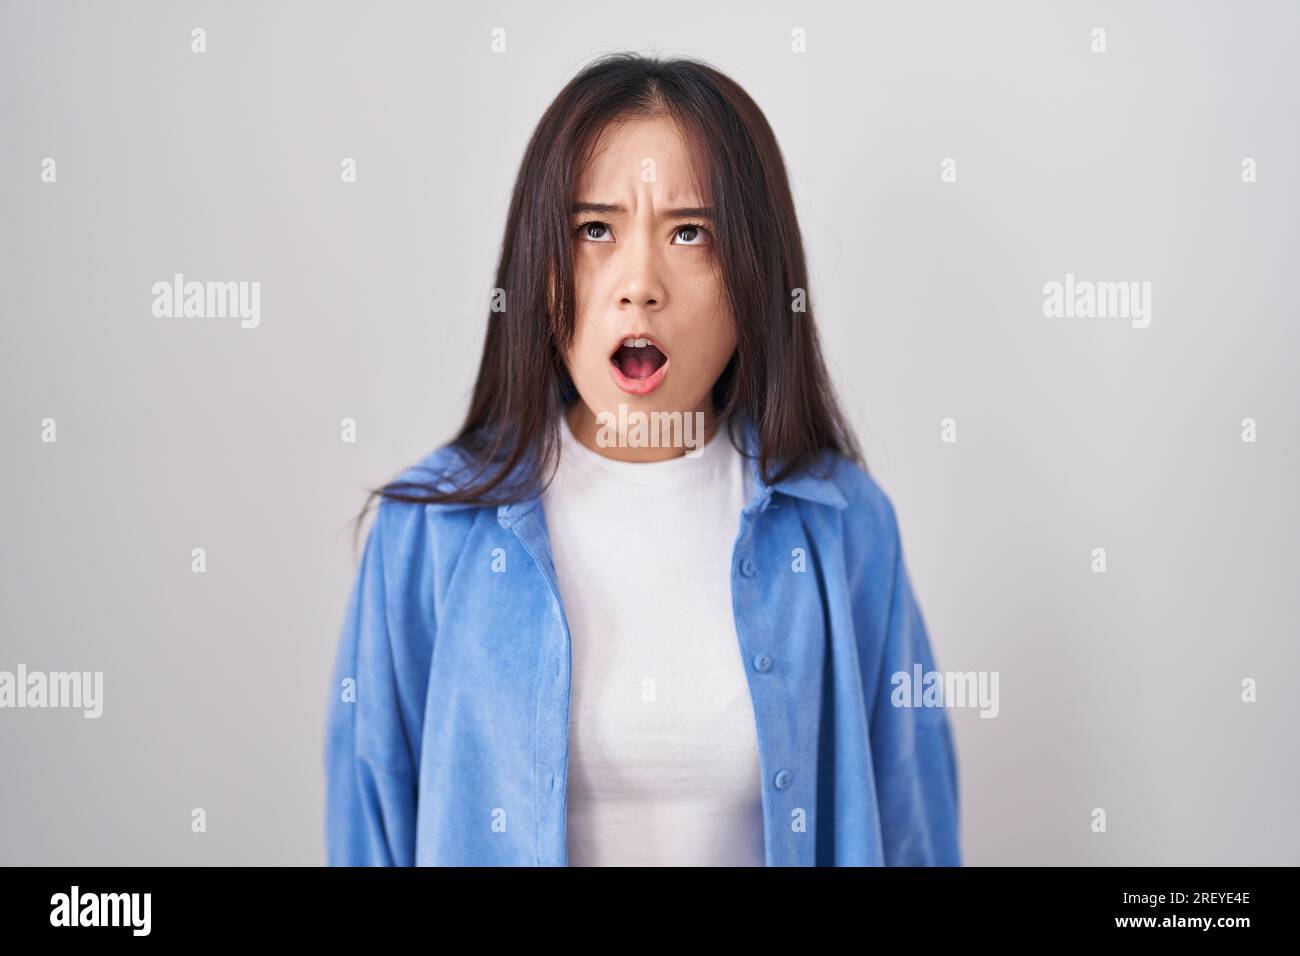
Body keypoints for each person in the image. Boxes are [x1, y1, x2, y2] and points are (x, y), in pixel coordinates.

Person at [324, 52, 960, 866]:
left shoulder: (845, 527)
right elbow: (368, 832)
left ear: (755, 281)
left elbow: (914, 834)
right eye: (595, 230)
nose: (639, 284)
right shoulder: (428, 529)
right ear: (540, 267)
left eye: (691, 233)